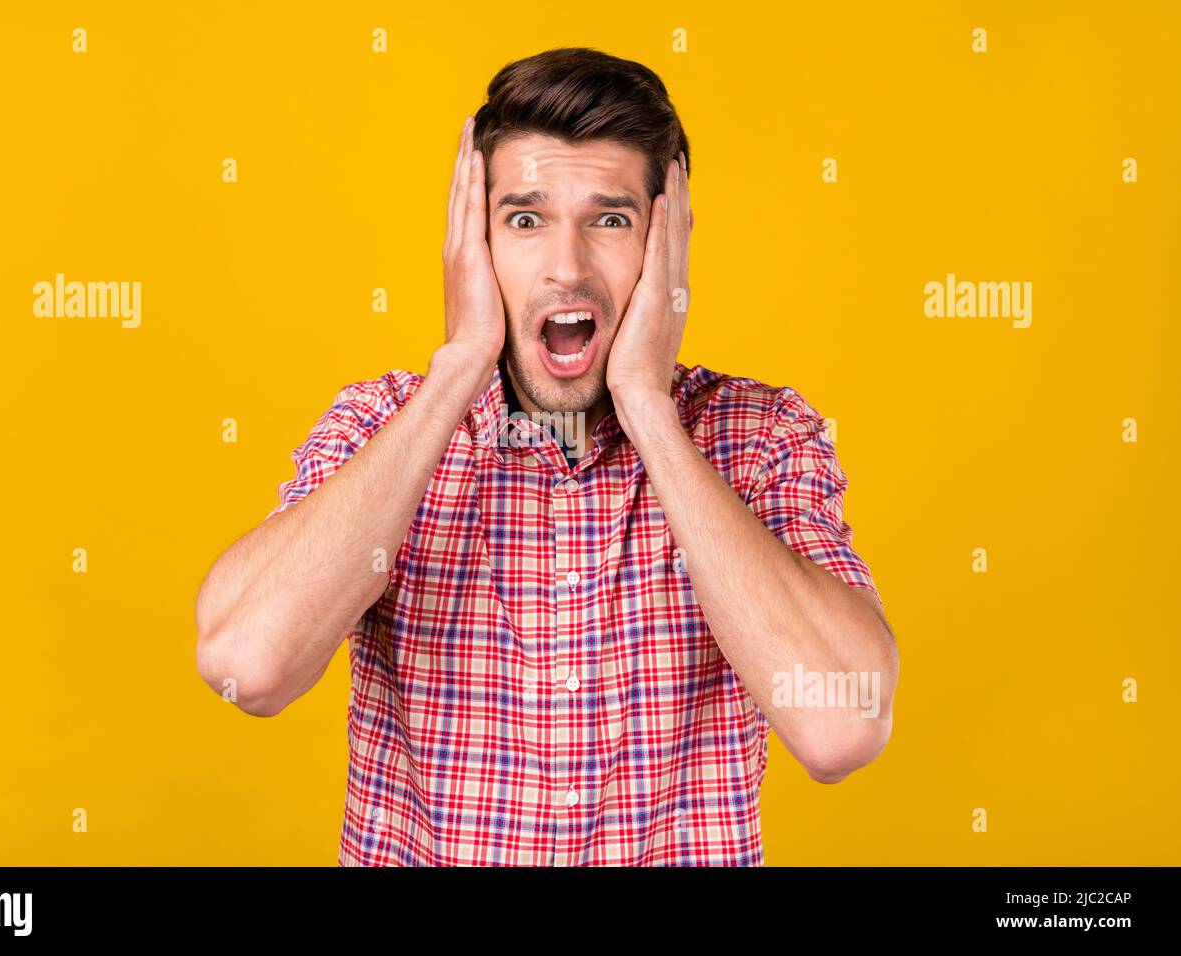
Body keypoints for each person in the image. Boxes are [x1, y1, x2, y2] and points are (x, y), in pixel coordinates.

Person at [195, 47, 899, 866]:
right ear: (474, 241)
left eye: (611, 219)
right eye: (525, 220)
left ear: (669, 240)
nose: (567, 268)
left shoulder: (761, 436)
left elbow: (842, 729)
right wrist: (459, 365)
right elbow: (248, 666)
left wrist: (647, 406)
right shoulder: (386, 423)